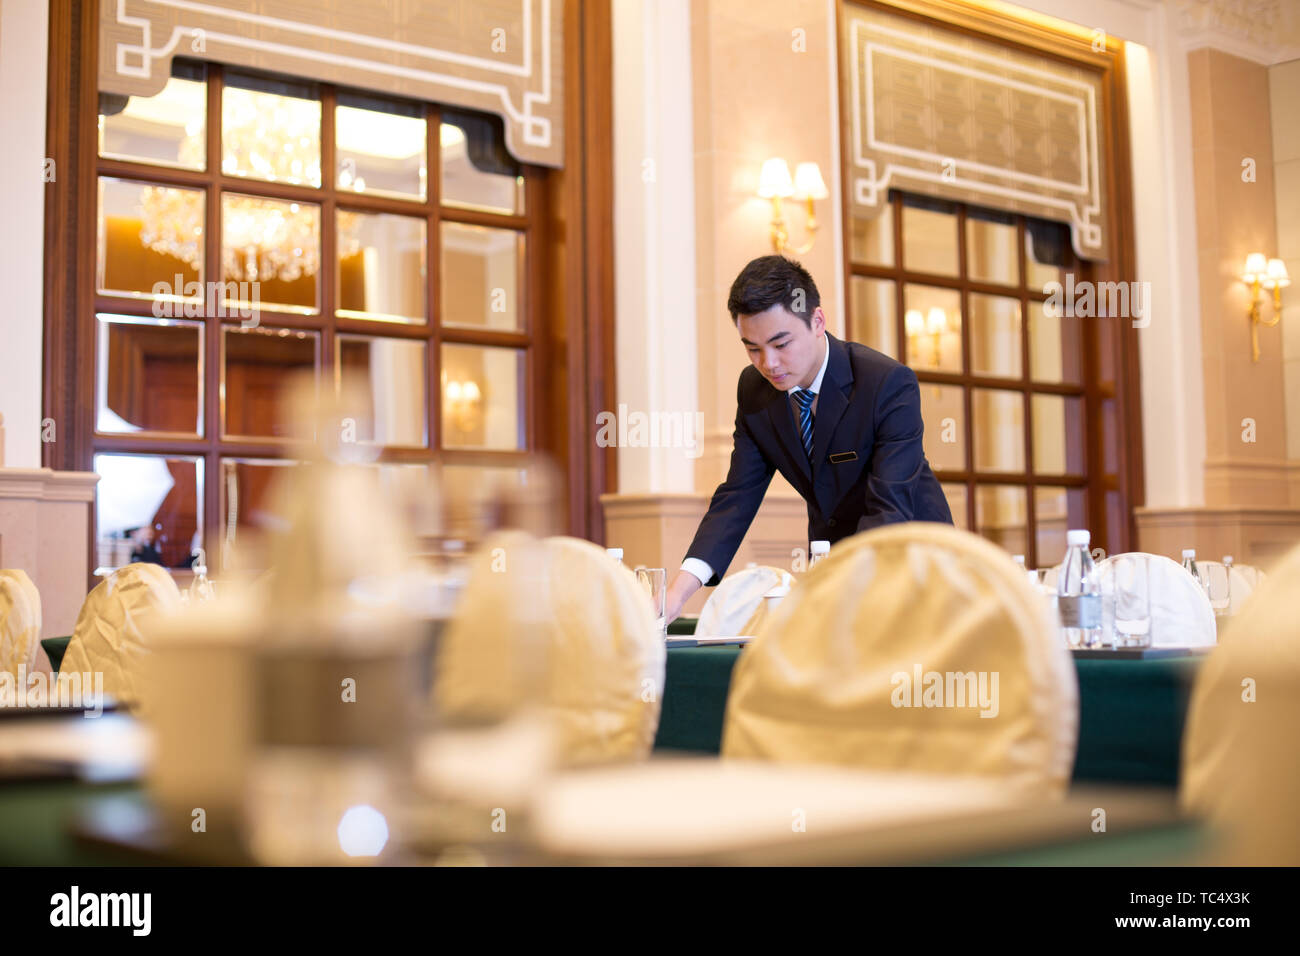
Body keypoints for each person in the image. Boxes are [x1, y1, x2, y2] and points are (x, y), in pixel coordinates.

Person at [663, 255, 952, 622]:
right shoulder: (755, 391)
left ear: (817, 321)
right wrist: (677, 594)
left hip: (915, 560)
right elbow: (737, 497)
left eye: (781, 343)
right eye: (752, 348)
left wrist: (839, 590)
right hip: (834, 570)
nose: (768, 363)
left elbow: (889, 506)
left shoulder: (885, 383)